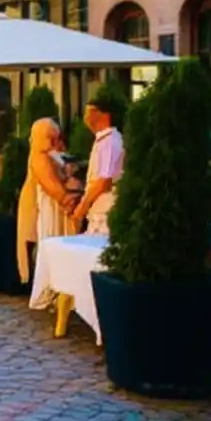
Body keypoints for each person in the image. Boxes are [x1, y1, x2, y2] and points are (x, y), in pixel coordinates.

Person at [16, 118, 76, 283]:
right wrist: (67, 200)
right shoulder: (39, 156)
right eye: (52, 137)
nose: (56, 141)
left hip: (55, 207)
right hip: (44, 207)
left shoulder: (51, 154)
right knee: (46, 243)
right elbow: (51, 184)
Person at [69, 96, 124, 235]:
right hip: (98, 210)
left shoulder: (110, 141)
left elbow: (104, 180)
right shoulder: (102, 140)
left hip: (105, 212)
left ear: (103, 114)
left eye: (90, 112)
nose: (87, 117)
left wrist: (83, 206)